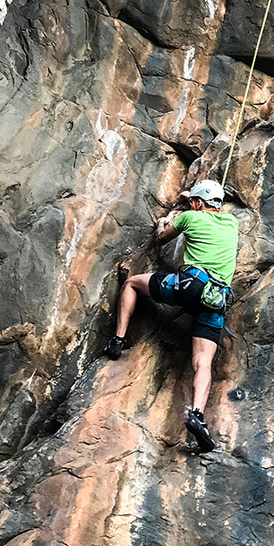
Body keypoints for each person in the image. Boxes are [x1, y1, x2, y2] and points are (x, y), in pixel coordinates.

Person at [104, 179, 238, 452]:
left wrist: (176, 211)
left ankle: (118, 340)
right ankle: (197, 416)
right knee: (203, 362)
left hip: (190, 287)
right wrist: (193, 199)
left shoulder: (189, 217)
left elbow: (162, 237)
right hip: (215, 299)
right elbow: (208, 209)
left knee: (132, 284)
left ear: (197, 204)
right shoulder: (232, 224)